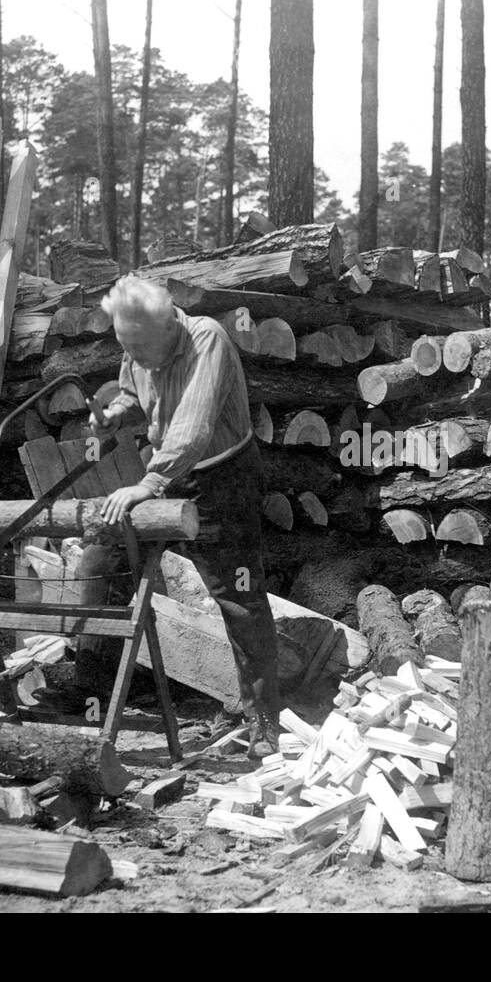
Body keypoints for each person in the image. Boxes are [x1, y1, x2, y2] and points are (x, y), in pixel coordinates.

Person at [91, 275, 281, 759]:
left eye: (138, 346)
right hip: (170, 474)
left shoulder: (206, 340)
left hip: (223, 479)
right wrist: (116, 414)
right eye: (123, 346)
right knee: (101, 563)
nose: (130, 355)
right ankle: (87, 696)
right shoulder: (138, 338)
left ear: (169, 325)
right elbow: (136, 393)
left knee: (237, 595)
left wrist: (149, 484)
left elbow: (192, 428)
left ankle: (262, 719)